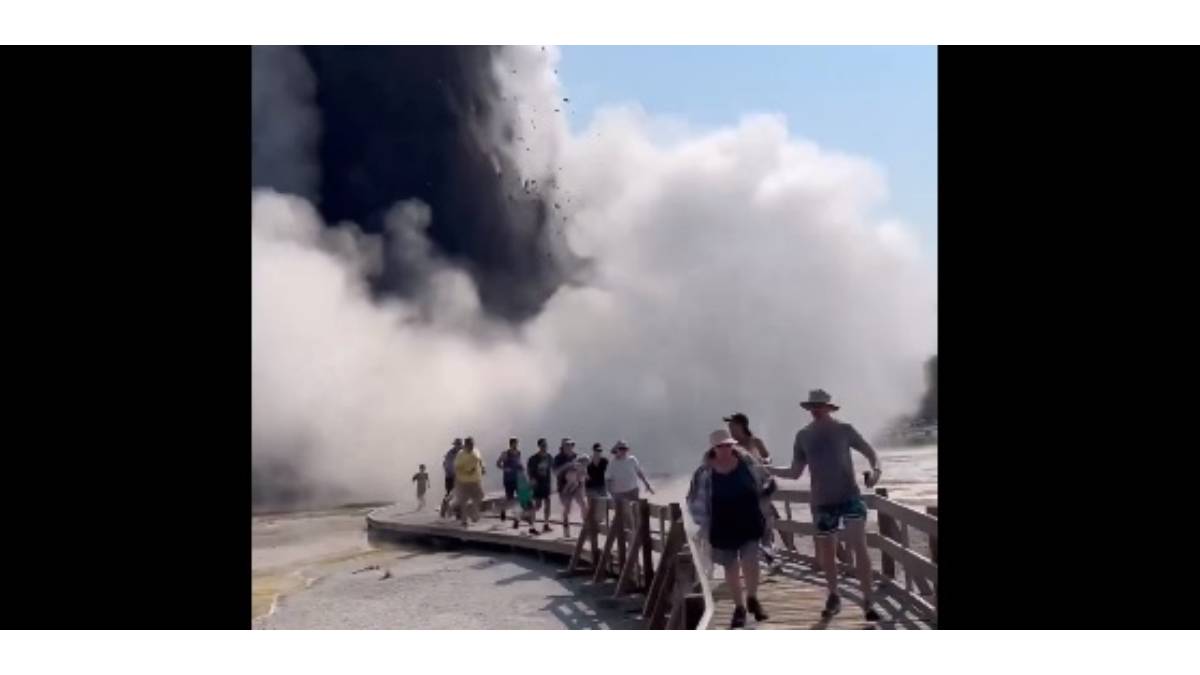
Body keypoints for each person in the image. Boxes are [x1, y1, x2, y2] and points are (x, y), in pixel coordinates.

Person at [768, 389, 883, 621]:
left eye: (820, 406)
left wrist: (876, 472)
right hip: (822, 502)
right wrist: (767, 469)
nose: (816, 410)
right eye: (812, 407)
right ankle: (834, 595)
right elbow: (794, 472)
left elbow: (872, 453)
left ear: (830, 407)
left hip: (849, 496)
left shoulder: (844, 430)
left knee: (859, 546)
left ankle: (868, 602)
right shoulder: (803, 436)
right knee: (827, 554)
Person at [688, 429, 776, 628]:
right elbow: (695, 499)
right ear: (713, 448)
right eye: (721, 446)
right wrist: (703, 524)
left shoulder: (747, 463)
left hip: (749, 518)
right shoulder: (704, 472)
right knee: (730, 566)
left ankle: (753, 598)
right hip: (722, 524)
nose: (726, 449)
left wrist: (768, 489)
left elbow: (766, 478)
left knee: (751, 559)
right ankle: (739, 607)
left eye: (729, 445)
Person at [725, 412, 783, 573]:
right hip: (741, 494)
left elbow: (768, 457)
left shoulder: (754, 441)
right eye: (729, 427)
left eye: (733, 426)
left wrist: (765, 462)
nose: (730, 429)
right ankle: (750, 564)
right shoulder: (730, 446)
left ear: (742, 426)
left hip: (760, 491)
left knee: (766, 527)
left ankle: (771, 561)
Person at [606, 440, 654, 533]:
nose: (624, 451)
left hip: (632, 490)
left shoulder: (632, 460)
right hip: (619, 492)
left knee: (636, 511)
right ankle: (623, 532)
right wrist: (611, 493)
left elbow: (638, 472)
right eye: (621, 449)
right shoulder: (612, 463)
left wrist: (646, 484)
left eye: (625, 449)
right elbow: (608, 479)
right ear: (617, 450)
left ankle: (639, 531)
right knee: (623, 513)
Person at [554, 438, 586, 538]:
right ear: (563, 447)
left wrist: (581, 473)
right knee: (567, 508)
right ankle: (566, 529)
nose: (570, 447)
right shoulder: (558, 458)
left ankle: (586, 528)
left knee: (583, 504)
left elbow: (582, 469)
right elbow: (556, 472)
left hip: (576, 485)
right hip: (563, 486)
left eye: (571, 445)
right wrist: (567, 465)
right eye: (567, 445)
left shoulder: (576, 456)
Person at [453, 437, 486, 528]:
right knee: (463, 501)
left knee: (480, 496)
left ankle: (472, 511)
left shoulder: (476, 451)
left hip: (476, 481)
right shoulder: (461, 454)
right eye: (470, 445)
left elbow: (480, 460)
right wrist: (467, 471)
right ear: (466, 445)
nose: (471, 446)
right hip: (464, 481)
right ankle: (464, 521)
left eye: (472, 444)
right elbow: (457, 467)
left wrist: (483, 467)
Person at [526, 438, 554, 534]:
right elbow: (530, 471)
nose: (544, 447)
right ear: (539, 446)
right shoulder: (534, 458)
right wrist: (532, 481)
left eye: (545, 445)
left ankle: (546, 524)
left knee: (548, 504)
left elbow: (553, 469)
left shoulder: (549, 457)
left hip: (546, 484)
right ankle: (531, 526)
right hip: (537, 485)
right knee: (537, 505)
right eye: (543, 445)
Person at [496, 437, 523, 528]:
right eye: (515, 443)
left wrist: (521, 468)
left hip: (517, 479)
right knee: (509, 499)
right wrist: (504, 469)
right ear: (511, 444)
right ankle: (503, 509)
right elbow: (498, 463)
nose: (516, 445)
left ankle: (516, 520)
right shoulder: (505, 453)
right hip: (508, 479)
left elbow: (519, 463)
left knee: (520, 498)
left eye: (517, 443)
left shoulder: (518, 453)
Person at [440, 438, 462, 518]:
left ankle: (459, 514)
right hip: (450, 477)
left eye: (460, 445)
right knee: (449, 495)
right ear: (455, 445)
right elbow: (447, 465)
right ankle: (443, 510)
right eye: (457, 444)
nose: (459, 446)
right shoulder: (450, 453)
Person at [584, 442, 609, 510]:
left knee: (603, 505)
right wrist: (586, 476)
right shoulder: (588, 460)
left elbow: (609, 471)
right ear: (593, 450)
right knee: (591, 506)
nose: (598, 452)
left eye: (600, 450)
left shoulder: (604, 461)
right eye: (597, 450)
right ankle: (588, 519)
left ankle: (600, 519)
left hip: (601, 485)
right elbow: (583, 470)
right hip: (590, 486)